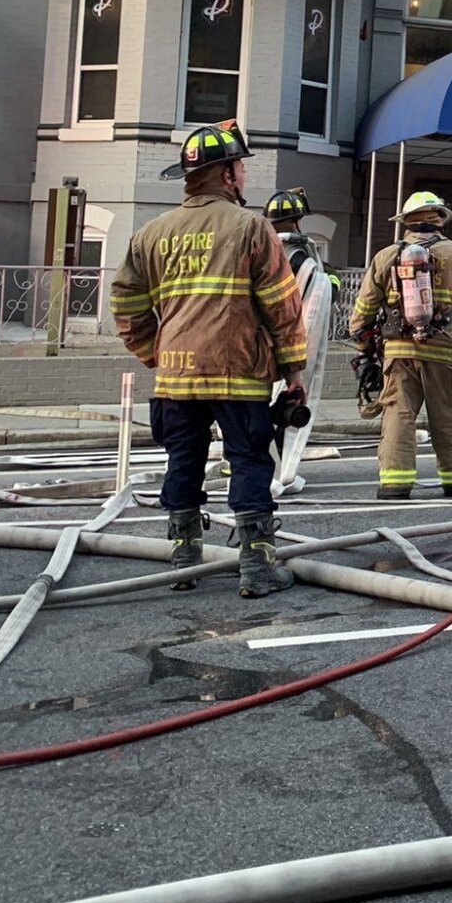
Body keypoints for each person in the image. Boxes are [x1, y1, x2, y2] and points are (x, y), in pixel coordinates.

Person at [110, 121, 309, 598]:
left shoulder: (151, 234)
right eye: (239, 166)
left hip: (175, 377)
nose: (242, 174)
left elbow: (125, 302)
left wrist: (153, 352)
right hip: (238, 372)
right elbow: (282, 307)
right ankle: (257, 567)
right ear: (226, 176)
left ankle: (183, 559)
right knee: (248, 460)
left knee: (183, 460)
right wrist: (293, 373)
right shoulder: (251, 228)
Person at [348, 191, 452, 500]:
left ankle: (395, 484)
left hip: (398, 350)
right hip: (445, 346)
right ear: (439, 219)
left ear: (406, 222)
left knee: (398, 415)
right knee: (449, 414)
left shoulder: (386, 256)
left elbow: (363, 311)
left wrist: (363, 352)